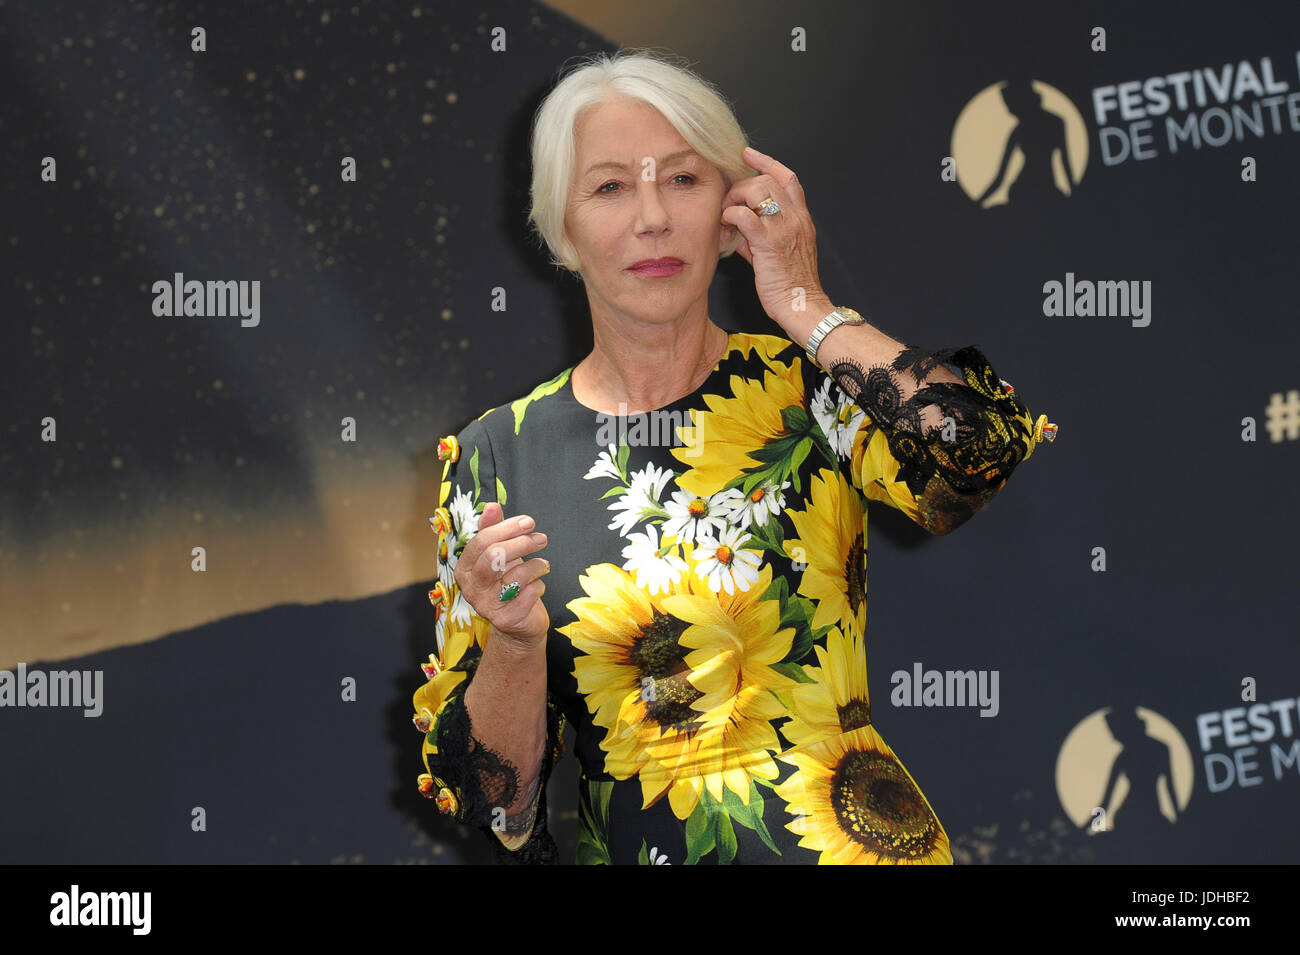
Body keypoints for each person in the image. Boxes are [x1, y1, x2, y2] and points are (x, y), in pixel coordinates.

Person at [412, 49, 1057, 865]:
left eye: (683, 179)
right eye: (610, 187)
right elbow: (492, 799)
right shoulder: (497, 456)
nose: (653, 217)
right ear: (560, 227)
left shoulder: (812, 387)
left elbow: (978, 450)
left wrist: (805, 305)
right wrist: (511, 643)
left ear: (731, 210)